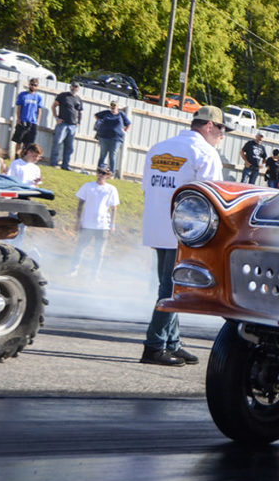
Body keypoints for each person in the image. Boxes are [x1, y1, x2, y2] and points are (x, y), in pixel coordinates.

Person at [140, 105, 228, 367]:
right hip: (184, 230)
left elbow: (147, 187)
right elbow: (215, 196)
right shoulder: (205, 152)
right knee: (173, 289)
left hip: (157, 224)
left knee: (168, 286)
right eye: (221, 129)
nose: (222, 136)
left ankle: (172, 343)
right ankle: (154, 346)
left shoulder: (159, 147)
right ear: (209, 126)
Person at [69, 166, 119, 280]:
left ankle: (94, 275)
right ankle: (74, 270)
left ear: (108, 175)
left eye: (104, 173)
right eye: (99, 172)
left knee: (99, 252)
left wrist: (112, 224)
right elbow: (80, 203)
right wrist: (78, 220)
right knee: (80, 248)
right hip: (87, 224)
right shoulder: (88, 186)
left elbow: (114, 208)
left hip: (103, 225)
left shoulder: (111, 189)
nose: (101, 175)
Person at [51, 82, 83, 170]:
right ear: (70, 86)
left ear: (78, 89)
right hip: (62, 124)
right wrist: (56, 118)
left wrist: (78, 122)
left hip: (73, 125)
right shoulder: (63, 96)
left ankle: (65, 165)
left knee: (69, 147)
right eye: (73, 86)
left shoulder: (79, 99)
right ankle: (54, 163)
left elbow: (80, 112)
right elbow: (53, 106)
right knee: (57, 143)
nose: (74, 88)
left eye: (76, 87)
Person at [94, 100, 130, 173]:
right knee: (103, 154)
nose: (113, 107)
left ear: (117, 107)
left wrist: (125, 130)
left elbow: (128, 123)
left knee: (112, 156)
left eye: (115, 106)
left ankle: (111, 173)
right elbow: (96, 115)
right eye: (112, 106)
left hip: (116, 138)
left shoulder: (121, 114)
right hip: (104, 137)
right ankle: (99, 171)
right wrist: (100, 123)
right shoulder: (106, 113)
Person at [12, 78, 44, 156]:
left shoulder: (38, 97)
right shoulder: (22, 95)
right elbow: (19, 108)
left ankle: (24, 156)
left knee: (29, 143)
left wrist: (37, 122)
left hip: (32, 122)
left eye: (35, 85)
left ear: (37, 86)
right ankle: (16, 156)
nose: (33, 86)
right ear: (29, 84)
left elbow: (39, 110)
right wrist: (18, 118)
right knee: (19, 141)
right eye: (32, 84)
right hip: (23, 121)